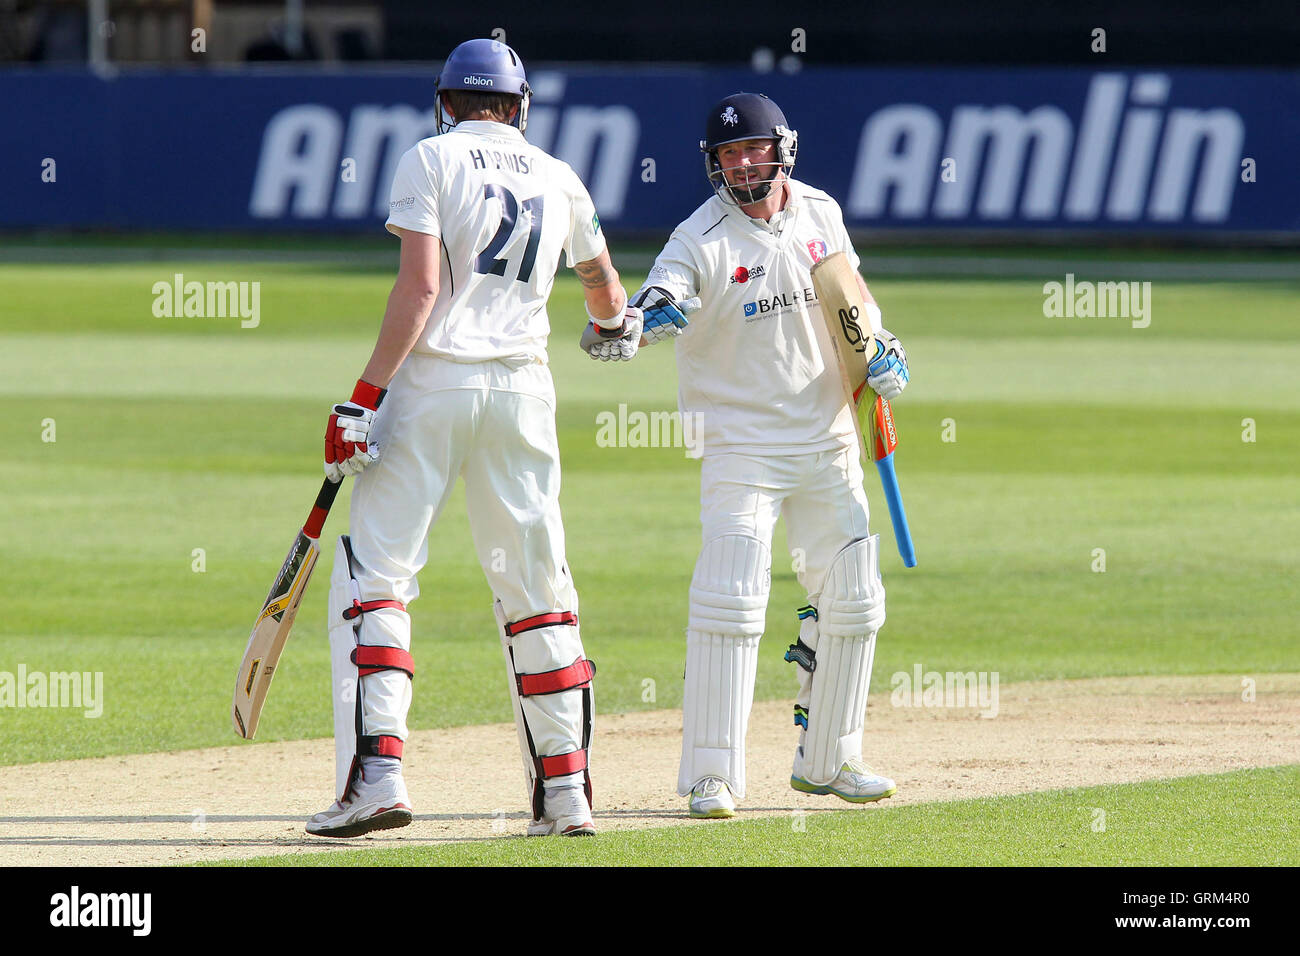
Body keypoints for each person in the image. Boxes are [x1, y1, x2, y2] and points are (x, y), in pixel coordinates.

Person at [306, 38, 642, 839]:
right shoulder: (561, 175)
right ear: (520, 106)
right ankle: (566, 795)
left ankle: (379, 777)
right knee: (537, 591)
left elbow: (421, 288)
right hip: (525, 393)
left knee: (376, 577)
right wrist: (610, 328)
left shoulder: (430, 158)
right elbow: (603, 286)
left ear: (446, 100)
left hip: (432, 387)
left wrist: (362, 397)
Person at [622, 92, 910, 818]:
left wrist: (882, 348)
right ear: (713, 164)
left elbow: (853, 298)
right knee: (731, 597)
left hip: (829, 432)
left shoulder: (820, 211)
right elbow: (666, 293)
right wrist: (645, 319)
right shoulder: (700, 237)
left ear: (782, 148)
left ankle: (831, 757)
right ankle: (711, 776)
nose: (744, 164)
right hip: (741, 441)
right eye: (728, 154)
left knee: (853, 599)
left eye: (754, 149)